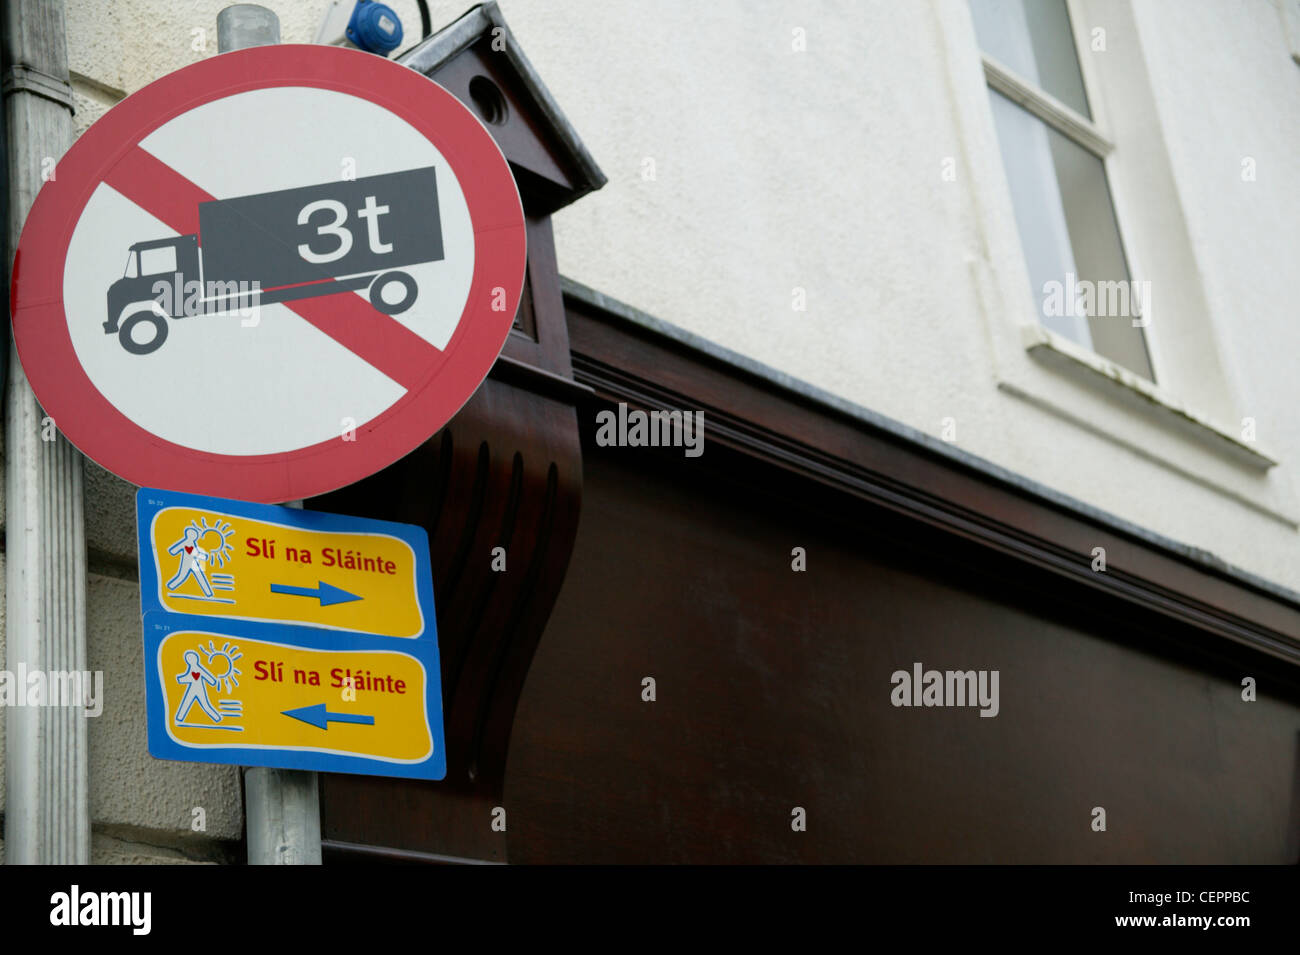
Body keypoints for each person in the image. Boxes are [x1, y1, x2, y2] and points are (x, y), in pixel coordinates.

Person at [175, 650, 222, 724]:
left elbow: (191, 677)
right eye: (188, 659)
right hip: (192, 689)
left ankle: (217, 718)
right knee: (186, 703)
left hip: (199, 689)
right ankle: (179, 718)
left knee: (205, 705)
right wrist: (181, 679)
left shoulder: (197, 669)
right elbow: (190, 677)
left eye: (190, 659)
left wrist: (181, 679)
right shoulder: (192, 668)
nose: (188, 661)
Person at [167, 527, 213, 597]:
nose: (195, 537)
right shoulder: (186, 543)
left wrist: (203, 556)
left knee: (200, 577)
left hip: (193, 563)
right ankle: (170, 586)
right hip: (186, 563)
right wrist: (204, 557)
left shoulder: (191, 543)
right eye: (194, 535)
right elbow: (193, 553)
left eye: (195, 535)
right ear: (189, 535)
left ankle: (208, 593)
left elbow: (194, 552)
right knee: (181, 576)